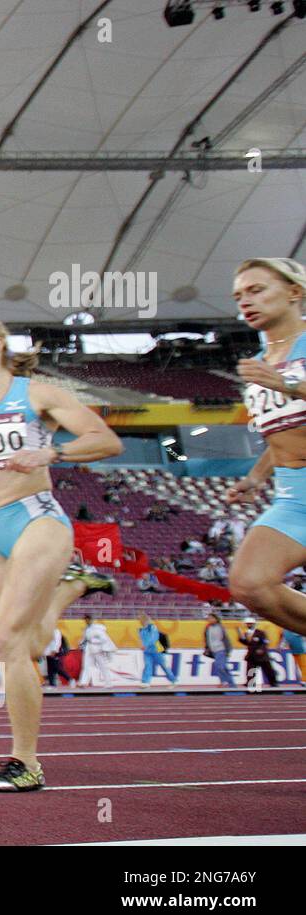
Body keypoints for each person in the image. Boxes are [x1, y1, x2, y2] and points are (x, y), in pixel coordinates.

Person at [0, 318, 123, 791]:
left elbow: (105, 439)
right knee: (10, 647)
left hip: (37, 520)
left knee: (10, 634)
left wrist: (51, 454)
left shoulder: (36, 395)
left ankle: (27, 763)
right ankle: (72, 587)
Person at [227, 259, 306, 648]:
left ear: (295, 292)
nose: (245, 301)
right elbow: (282, 433)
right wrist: (255, 478)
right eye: (239, 296)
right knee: (249, 583)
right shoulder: (259, 364)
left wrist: (291, 384)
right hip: (294, 497)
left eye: (256, 290)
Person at [138, 616, 177, 687]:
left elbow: (153, 638)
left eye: (143, 620)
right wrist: (142, 645)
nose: (142, 622)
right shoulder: (141, 630)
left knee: (163, 665)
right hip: (147, 651)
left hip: (157, 649)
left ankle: (173, 680)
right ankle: (145, 682)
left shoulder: (153, 627)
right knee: (147, 665)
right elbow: (142, 640)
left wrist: (145, 645)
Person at [78, 616, 117, 688]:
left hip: (98, 649)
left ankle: (109, 683)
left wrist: (94, 641)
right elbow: (85, 638)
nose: (86, 621)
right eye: (85, 620)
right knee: (86, 665)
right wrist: (81, 643)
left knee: (103, 666)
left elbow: (104, 639)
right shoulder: (87, 629)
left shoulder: (98, 628)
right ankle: (83, 682)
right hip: (89, 648)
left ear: (91, 620)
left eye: (88, 620)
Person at [239, 617, 278, 689]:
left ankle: (273, 682)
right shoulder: (246, 633)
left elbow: (265, 642)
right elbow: (247, 643)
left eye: (250, 624)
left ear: (254, 624)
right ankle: (250, 683)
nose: (249, 625)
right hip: (251, 655)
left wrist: (261, 649)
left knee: (268, 669)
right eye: (248, 624)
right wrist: (241, 639)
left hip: (261, 655)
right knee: (251, 670)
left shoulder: (260, 632)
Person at [203, 613, 237, 688]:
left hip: (221, 649)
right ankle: (232, 684)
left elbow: (225, 639)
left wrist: (228, 650)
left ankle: (224, 682)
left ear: (216, 619)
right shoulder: (208, 628)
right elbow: (207, 639)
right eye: (208, 618)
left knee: (220, 666)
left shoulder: (220, 627)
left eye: (211, 618)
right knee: (223, 667)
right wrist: (207, 648)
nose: (209, 620)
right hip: (213, 650)